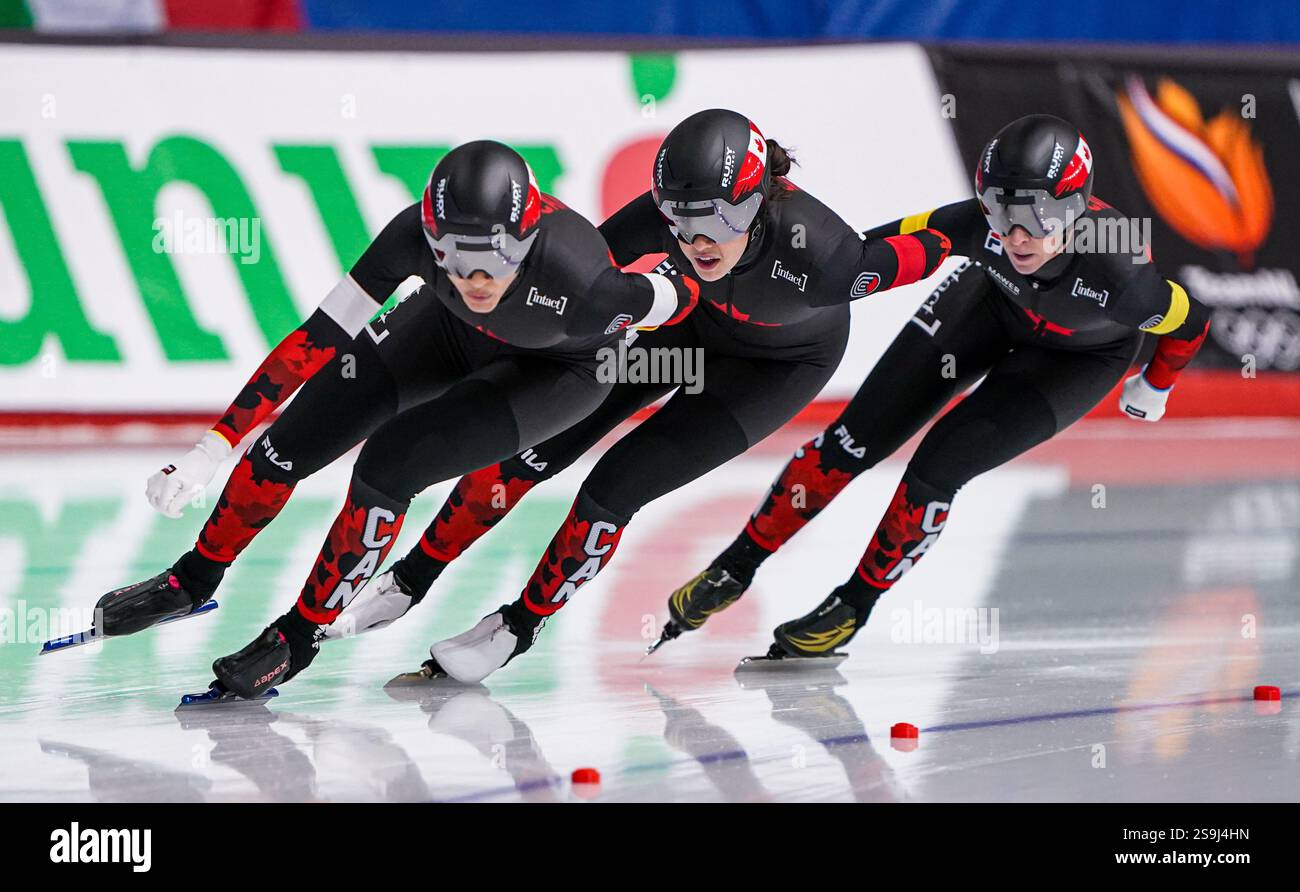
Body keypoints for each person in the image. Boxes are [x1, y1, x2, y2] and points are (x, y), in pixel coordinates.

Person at [332, 108, 953, 684]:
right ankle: (413, 575)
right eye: (682, 222)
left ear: (759, 201)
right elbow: (573, 273)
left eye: (720, 222)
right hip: (682, 330)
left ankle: (520, 624)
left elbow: (943, 239)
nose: (699, 241)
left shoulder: (825, 256)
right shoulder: (670, 217)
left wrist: (1007, 223)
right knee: (538, 445)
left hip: (773, 371)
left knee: (615, 487)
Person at [91, 141, 697, 685]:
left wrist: (682, 270)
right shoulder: (411, 234)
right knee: (286, 443)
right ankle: (193, 578)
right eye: (455, 257)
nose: (476, 276)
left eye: (494, 256)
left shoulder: (582, 278)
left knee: (388, 467)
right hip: (447, 331)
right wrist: (213, 447)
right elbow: (319, 336)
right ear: (431, 238)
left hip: (558, 371)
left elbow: (680, 294)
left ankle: (299, 639)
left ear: (527, 239)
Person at [657, 113, 1211, 661]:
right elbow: (865, 252)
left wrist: (1156, 384)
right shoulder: (977, 226)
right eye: (998, 209)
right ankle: (734, 567)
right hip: (989, 304)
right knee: (851, 441)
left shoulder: (1123, 273)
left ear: (1074, 208)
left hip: (1081, 356)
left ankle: (854, 605)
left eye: (1036, 217)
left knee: (938, 468)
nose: (1014, 233)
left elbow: (1193, 323)